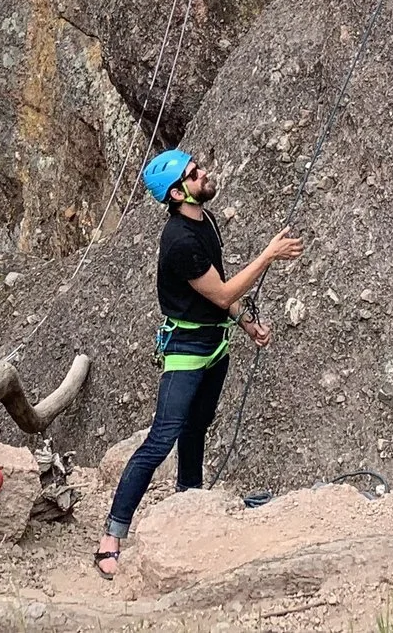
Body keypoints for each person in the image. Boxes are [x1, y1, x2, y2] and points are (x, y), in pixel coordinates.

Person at [92, 150, 305, 579]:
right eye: (194, 173)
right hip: (187, 347)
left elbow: (219, 300)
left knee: (197, 424)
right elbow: (223, 292)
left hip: (214, 343)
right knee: (161, 437)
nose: (203, 172)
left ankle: (188, 497)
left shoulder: (203, 221)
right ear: (177, 192)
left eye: (198, 166)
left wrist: (247, 325)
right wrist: (267, 255)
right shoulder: (180, 240)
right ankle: (111, 536)